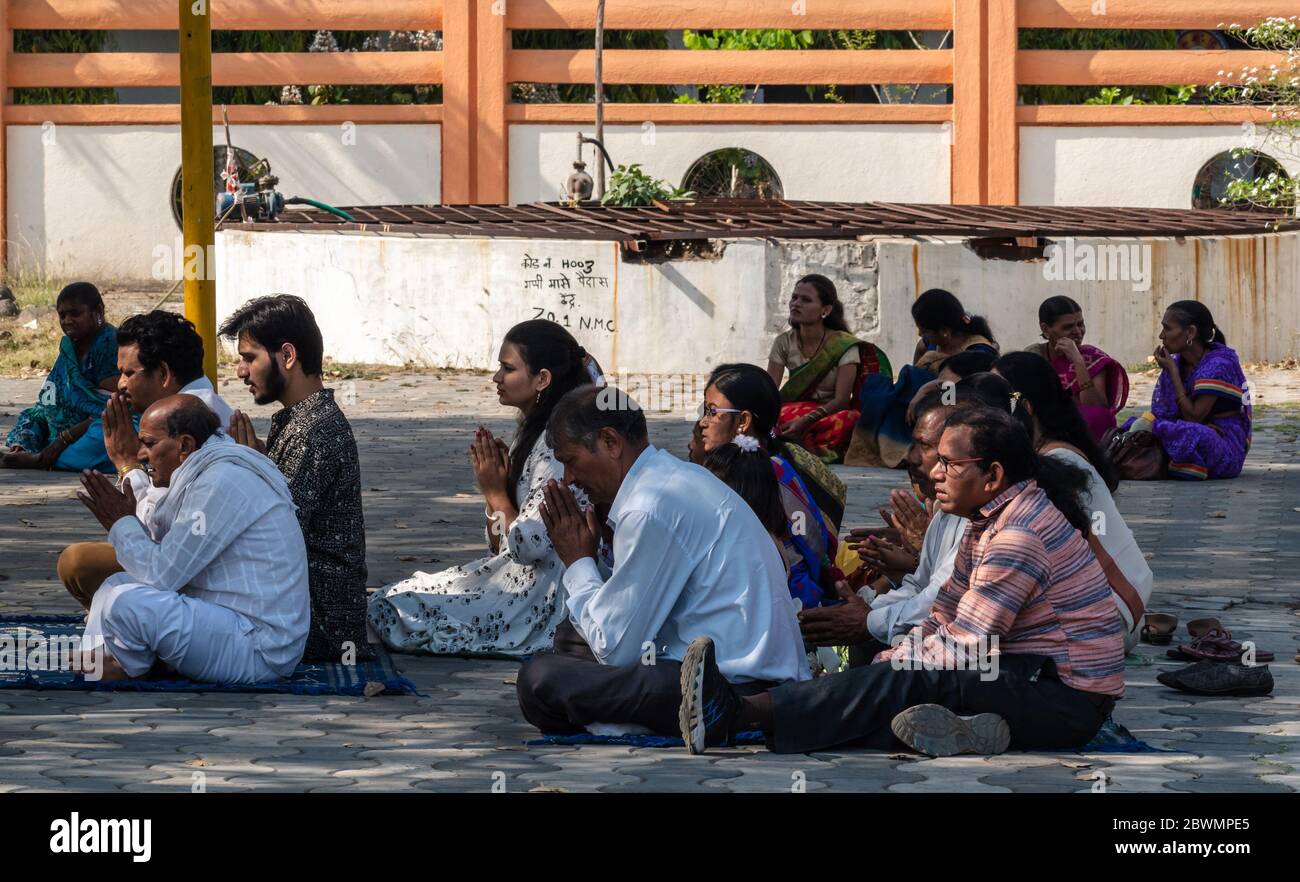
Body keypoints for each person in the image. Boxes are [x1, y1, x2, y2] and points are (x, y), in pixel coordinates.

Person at [678, 405, 1125, 757]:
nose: (934, 473)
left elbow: (966, 645)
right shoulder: (987, 518)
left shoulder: (1017, 536)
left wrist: (895, 663)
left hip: (1066, 702)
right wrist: (896, 652)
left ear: (992, 475)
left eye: (950, 464)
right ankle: (962, 732)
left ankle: (738, 715)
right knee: (896, 669)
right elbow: (944, 611)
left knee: (909, 677)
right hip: (1027, 676)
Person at [515, 385, 809, 737]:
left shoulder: (648, 506)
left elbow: (616, 649)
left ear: (610, 442)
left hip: (732, 683)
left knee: (539, 678)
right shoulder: (671, 477)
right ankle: (625, 719)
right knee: (571, 639)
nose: (569, 479)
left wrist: (578, 561)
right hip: (725, 669)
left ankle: (700, 715)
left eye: (571, 461)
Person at [369, 320, 599, 658]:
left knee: (395, 609)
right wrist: (498, 491)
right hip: (514, 577)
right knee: (396, 594)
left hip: (539, 598)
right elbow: (500, 545)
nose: (496, 379)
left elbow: (527, 547)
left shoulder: (556, 448)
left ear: (542, 379)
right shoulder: (535, 432)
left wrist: (495, 492)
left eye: (507, 369)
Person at [74, 394, 309, 684]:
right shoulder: (201, 472)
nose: (141, 455)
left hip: (259, 649)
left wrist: (120, 522)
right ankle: (97, 658)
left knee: (125, 601)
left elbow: (161, 575)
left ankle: (126, 666)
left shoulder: (222, 481)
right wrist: (125, 498)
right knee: (114, 586)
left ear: (184, 445)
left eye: (148, 444)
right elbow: (158, 530)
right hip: (225, 624)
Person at [219, 294, 369, 662]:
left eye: (249, 358)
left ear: (287, 356)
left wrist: (249, 471)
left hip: (318, 622)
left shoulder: (314, 431)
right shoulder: (300, 421)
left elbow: (272, 538)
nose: (241, 371)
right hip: (305, 607)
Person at [56, 310, 235, 609]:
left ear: (163, 375)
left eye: (129, 373)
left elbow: (160, 531)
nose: (120, 385)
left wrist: (128, 466)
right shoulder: (202, 405)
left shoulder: (191, 422)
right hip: (187, 561)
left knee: (77, 563)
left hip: (204, 578)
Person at [994, 352, 1153, 650]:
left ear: (1025, 409)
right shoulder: (1047, 455)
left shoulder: (1058, 462)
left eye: (996, 400)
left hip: (1107, 619)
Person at [694, 363, 845, 607]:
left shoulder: (763, 472)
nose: (703, 422)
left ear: (743, 420)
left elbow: (811, 544)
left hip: (782, 599)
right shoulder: (767, 463)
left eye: (712, 412)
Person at [846, 288, 997, 467]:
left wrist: (923, 390)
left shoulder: (978, 350)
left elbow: (960, 390)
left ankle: (904, 450)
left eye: (924, 331)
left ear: (945, 332)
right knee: (876, 388)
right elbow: (915, 364)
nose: (920, 335)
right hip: (917, 401)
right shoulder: (932, 343)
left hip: (950, 404)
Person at [766, 274, 891, 463]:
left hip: (830, 413)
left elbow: (841, 400)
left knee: (850, 420)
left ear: (825, 310)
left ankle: (803, 446)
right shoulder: (784, 342)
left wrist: (805, 421)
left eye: (805, 300)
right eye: (794, 297)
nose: (795, 304)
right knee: (776, 416)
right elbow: (769, 391)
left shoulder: (843, 344)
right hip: (792, 411)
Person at [1124, 301, 1251, 480]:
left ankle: (1164, 461)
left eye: (1167, 329)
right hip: (1193, 427)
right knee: (1132, 426)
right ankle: (1170, 462)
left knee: (1193, 434)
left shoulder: (1219, 363)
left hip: (1223, 442)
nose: (1161, 336)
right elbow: (1163, 413)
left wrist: (1173, 373)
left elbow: (1194, 417)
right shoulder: (1177, 361)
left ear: (1190, 332)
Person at [3, 283, 118, 471]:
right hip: (62, 426)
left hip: (90, 425)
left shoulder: (109, 343)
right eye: (62, 315)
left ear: (98, 311)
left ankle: (43, 458)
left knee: (101, 432)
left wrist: (64, 438)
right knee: (32, 416)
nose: (67, 321)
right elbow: (55, 391)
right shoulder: (69, 346)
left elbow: (110, 403)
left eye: (75, 314)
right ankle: (20, 452)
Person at [1024, 295, 1129, 442]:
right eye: (1068, 327)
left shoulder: (1092, 357)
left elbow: (1095, 406)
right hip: (1042, 425)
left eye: (1080, 324)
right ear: (1045, 329)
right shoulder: (1033, 356)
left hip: (1080, 429)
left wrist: (1078, 361)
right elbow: (1015, 394)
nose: (1078, 332)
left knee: (1098, 416)